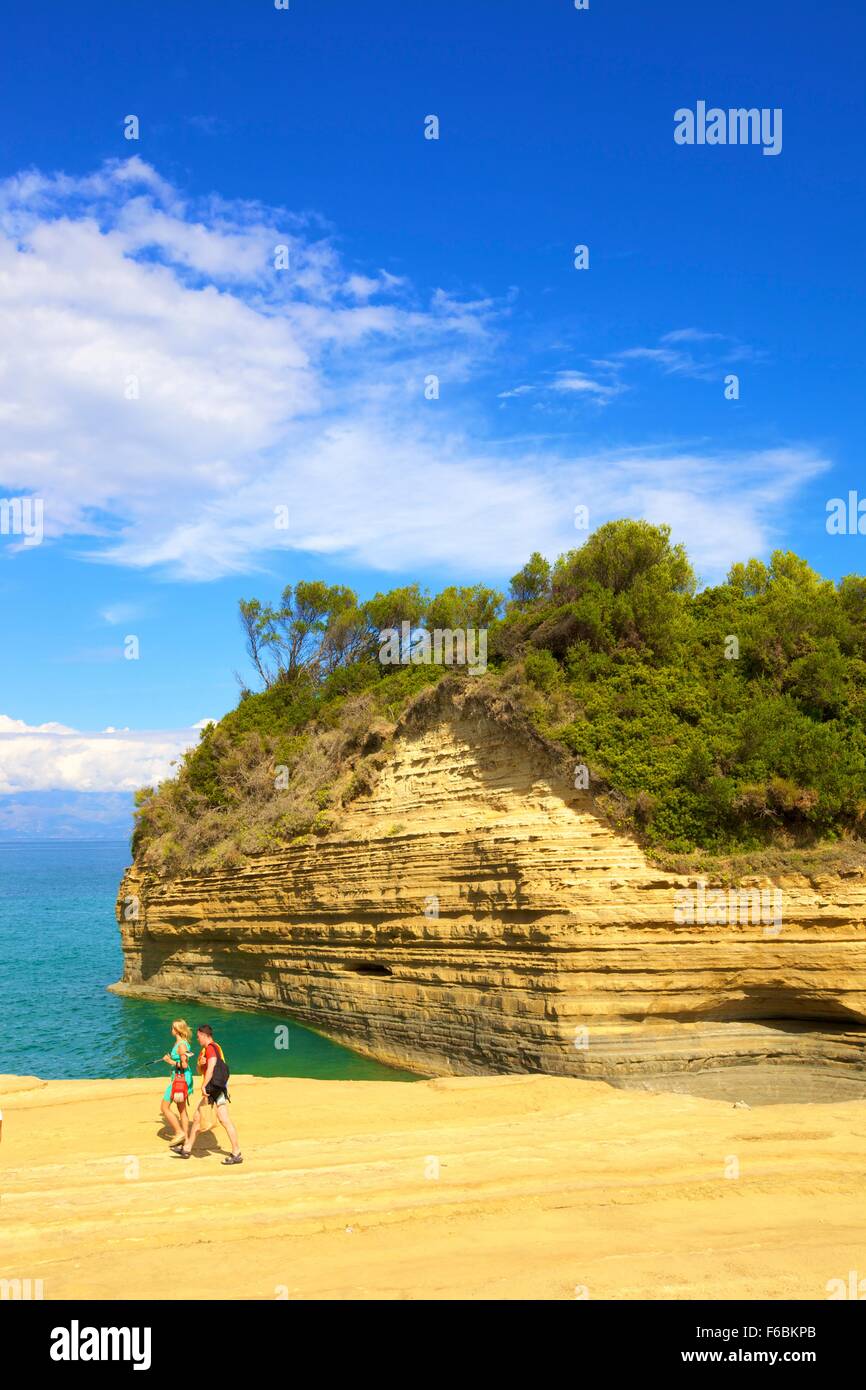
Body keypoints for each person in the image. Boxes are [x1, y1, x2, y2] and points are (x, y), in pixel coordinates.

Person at [171, 1024, 243, 1166]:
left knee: (200, 1117)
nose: (197, 1039)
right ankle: (236, 1153)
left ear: (204, 1036)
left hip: (211, 1089)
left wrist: (204, 1085)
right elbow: (203, 1068)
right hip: (220, 1088)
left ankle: (187, 1149)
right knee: (220, 1119)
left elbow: (212, 1066)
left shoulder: (210, 1048)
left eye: (198, 1037)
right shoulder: (215, 1048)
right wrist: (199, 1063)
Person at [160, 1020, 193, 1142]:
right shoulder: (181, 1043)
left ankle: (179, 1132)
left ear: (177, 1030)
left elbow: (184, 1065)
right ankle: (187, 1139)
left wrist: (170, 1061)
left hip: (180, 1079)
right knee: (182, 1109)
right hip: (182, 1077)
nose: (171, 1030)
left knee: (164, 1107)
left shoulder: (181, 1045)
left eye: (172, 1027)